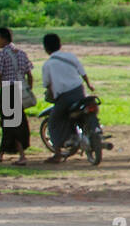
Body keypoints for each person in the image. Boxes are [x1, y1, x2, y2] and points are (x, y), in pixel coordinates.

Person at [40, 33, 95, 164]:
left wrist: (52, 96)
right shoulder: (70, 56)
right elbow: (82, 72)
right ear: (60, 45)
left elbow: (48, 85)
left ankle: (57, 154)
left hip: (65, 97)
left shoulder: (47, 65)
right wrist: (89, 84)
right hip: (80, 92)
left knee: (53, 121)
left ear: (46, 48)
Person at [0, 26, 33, 166]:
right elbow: (30, 75)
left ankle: (22, 156)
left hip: (8, 91)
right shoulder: (21, 53)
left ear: (4, 39)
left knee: (11, 124)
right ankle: (1, 153)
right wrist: (28, 90)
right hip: (20, 90)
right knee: (14, 123)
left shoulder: (1, 54)